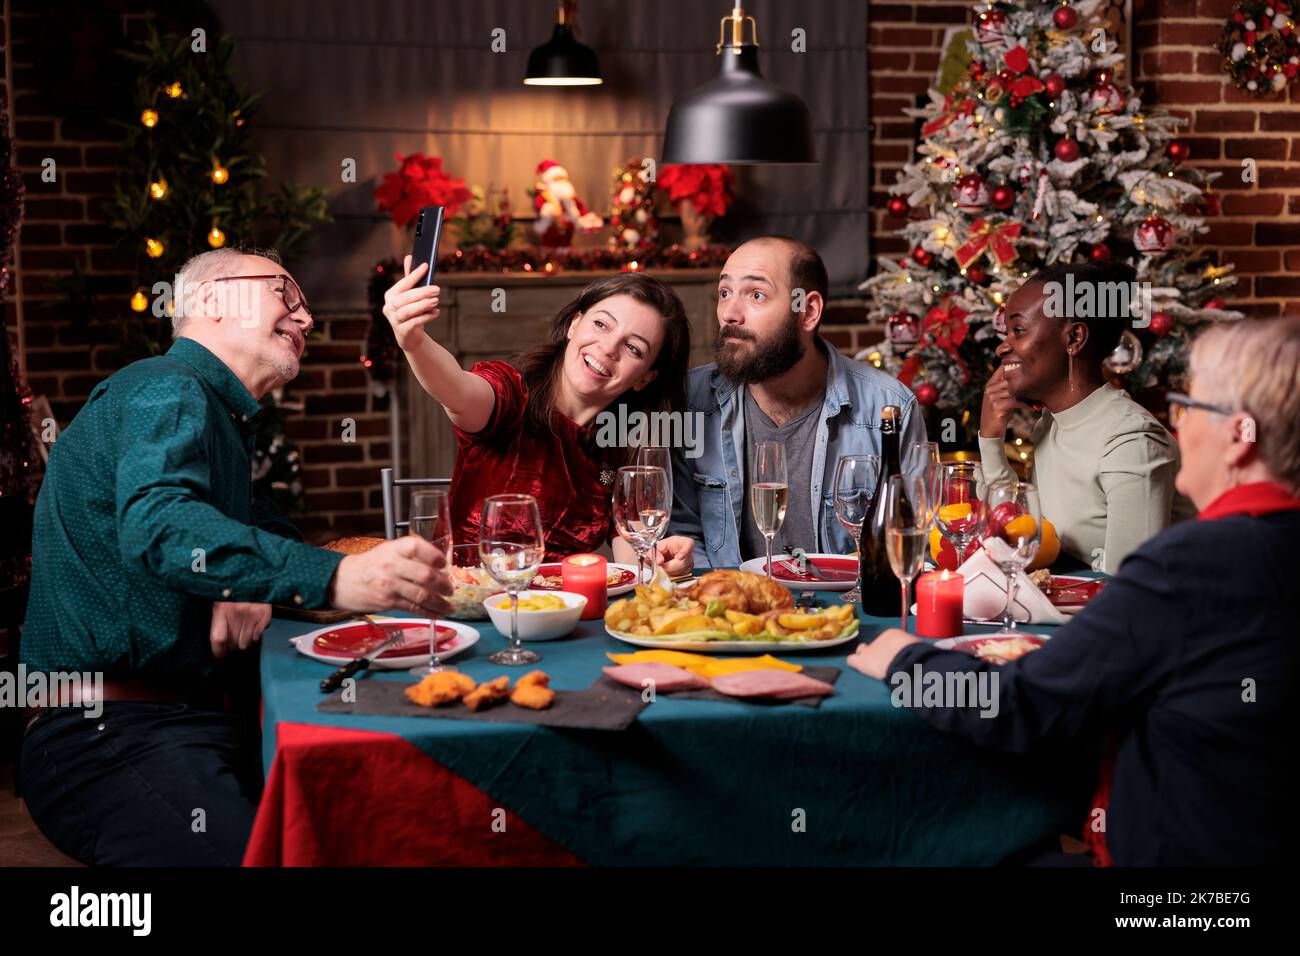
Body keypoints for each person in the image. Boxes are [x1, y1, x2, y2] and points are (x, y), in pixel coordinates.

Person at [19, 248, 454, 866]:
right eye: (286, 293)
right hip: (108, 736)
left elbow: (255, 538)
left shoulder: (216, 419)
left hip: (180, 724)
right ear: (213, 301)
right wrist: (337, 576)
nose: (306, 319)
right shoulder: (167, 386)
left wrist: (246, 578)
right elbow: (160, 528)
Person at [849, 316, 1300, 866]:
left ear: (1238, 435)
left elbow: (1018, 708)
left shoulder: (1190, 566)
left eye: (1189, 406)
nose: (1176, 427)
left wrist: (906, 661)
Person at [383, 261, 695, 571]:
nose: (609, 347)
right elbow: (457, 389)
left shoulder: (619, 446)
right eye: (601, 324)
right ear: (574, 325)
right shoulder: (510, 397)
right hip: (473, 605)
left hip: (565, 611)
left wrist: (654, 562)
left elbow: (630, 544)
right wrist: (415, 342)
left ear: (645, 378)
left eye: (633, 348)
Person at [671, 236, 926, 568]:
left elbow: (915, 541)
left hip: (843, 611)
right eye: (724, 293)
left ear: (808, 312)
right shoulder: (690, 402)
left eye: (756, 295)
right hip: (729, 611)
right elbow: (680, 533)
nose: (730, 314)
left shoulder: (888, 408)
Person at [979, 261, 1179, 573]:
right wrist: (991, 439)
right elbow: (1018, 540)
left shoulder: (1131, 440)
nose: (1003, 348)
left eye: (1018, 330)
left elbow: (1130, 591)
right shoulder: (1050, 424)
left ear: (1074, 338)